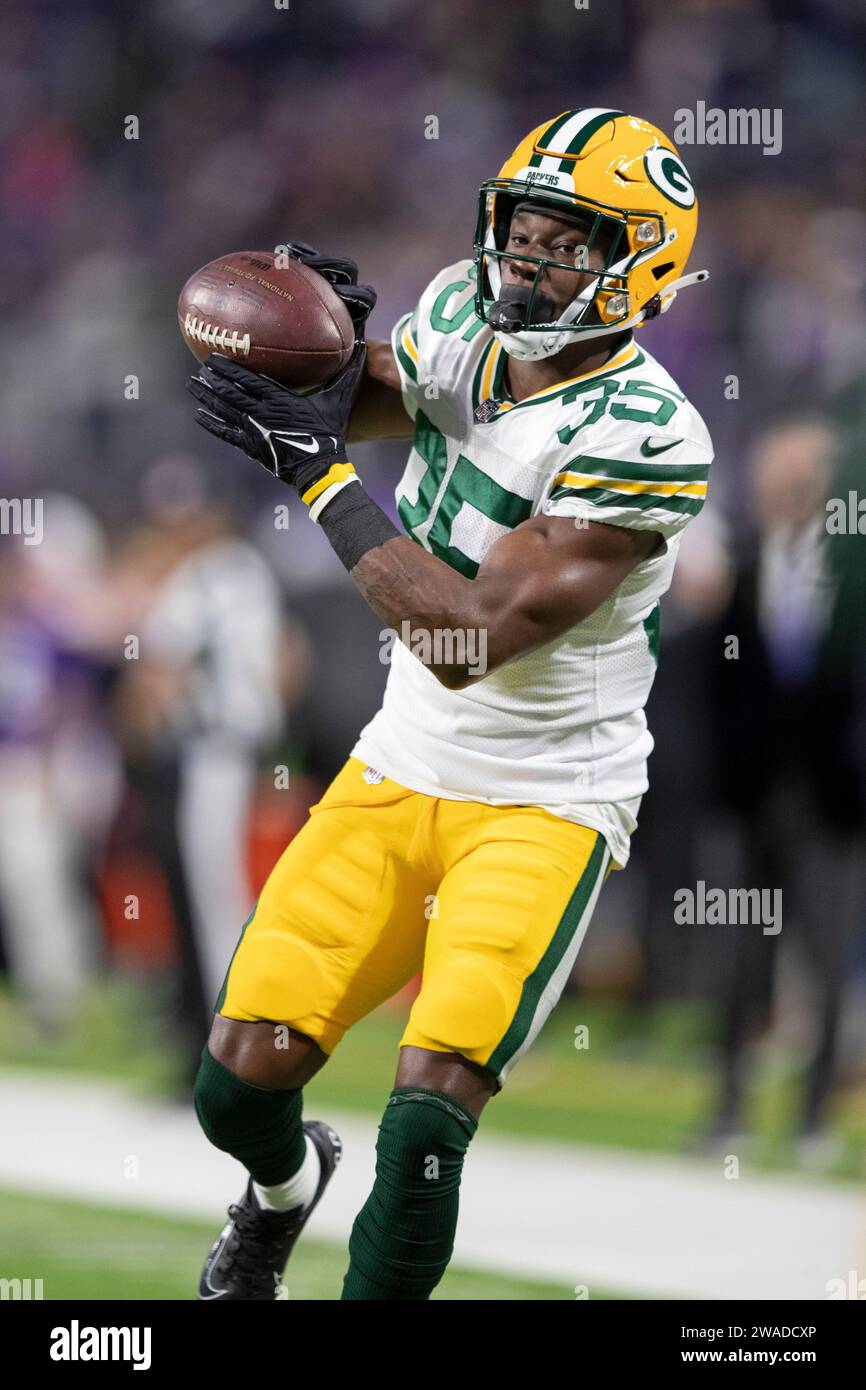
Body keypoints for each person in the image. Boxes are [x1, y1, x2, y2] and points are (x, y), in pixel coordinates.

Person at [186, 108, 713, 1300]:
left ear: (642, 263)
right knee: (236, 1078)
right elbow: (388, 396)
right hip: (401, 762)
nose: (526, 260)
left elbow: (464, 638)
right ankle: (280, 1192)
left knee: (427, 1116)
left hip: (544, 801)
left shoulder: (650, 436)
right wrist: (303, 359)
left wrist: (314, 470)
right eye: (521, 230)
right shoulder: (465, 318)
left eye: (566, 243)